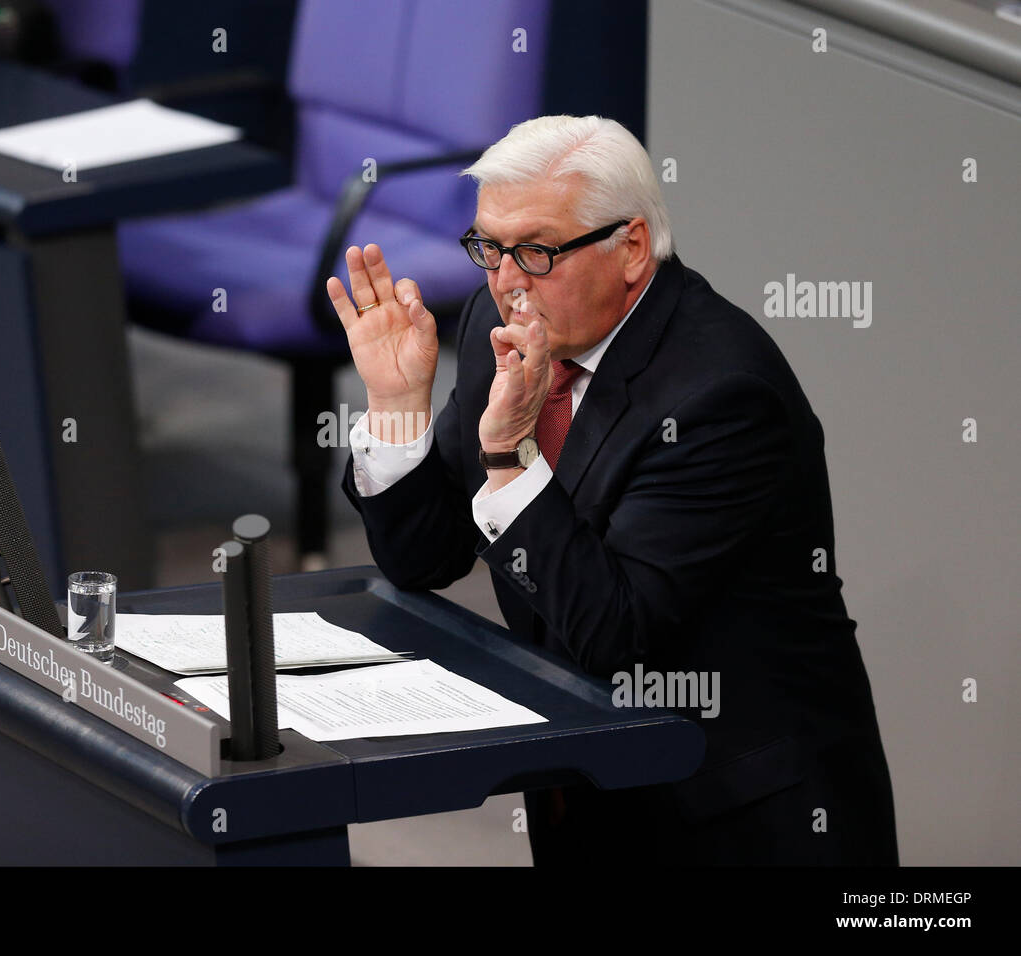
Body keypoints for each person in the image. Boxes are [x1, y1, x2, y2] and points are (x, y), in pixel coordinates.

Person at [325, 115, 897, 865]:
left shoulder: (722, 396)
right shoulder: (498, 324)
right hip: (588, 788)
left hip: (734, 815)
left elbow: (614, 634)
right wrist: (399, 405)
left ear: (630, 248)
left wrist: (509, 455)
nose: (506, 283)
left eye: (536, 252)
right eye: (489, 249)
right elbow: (424, 559)